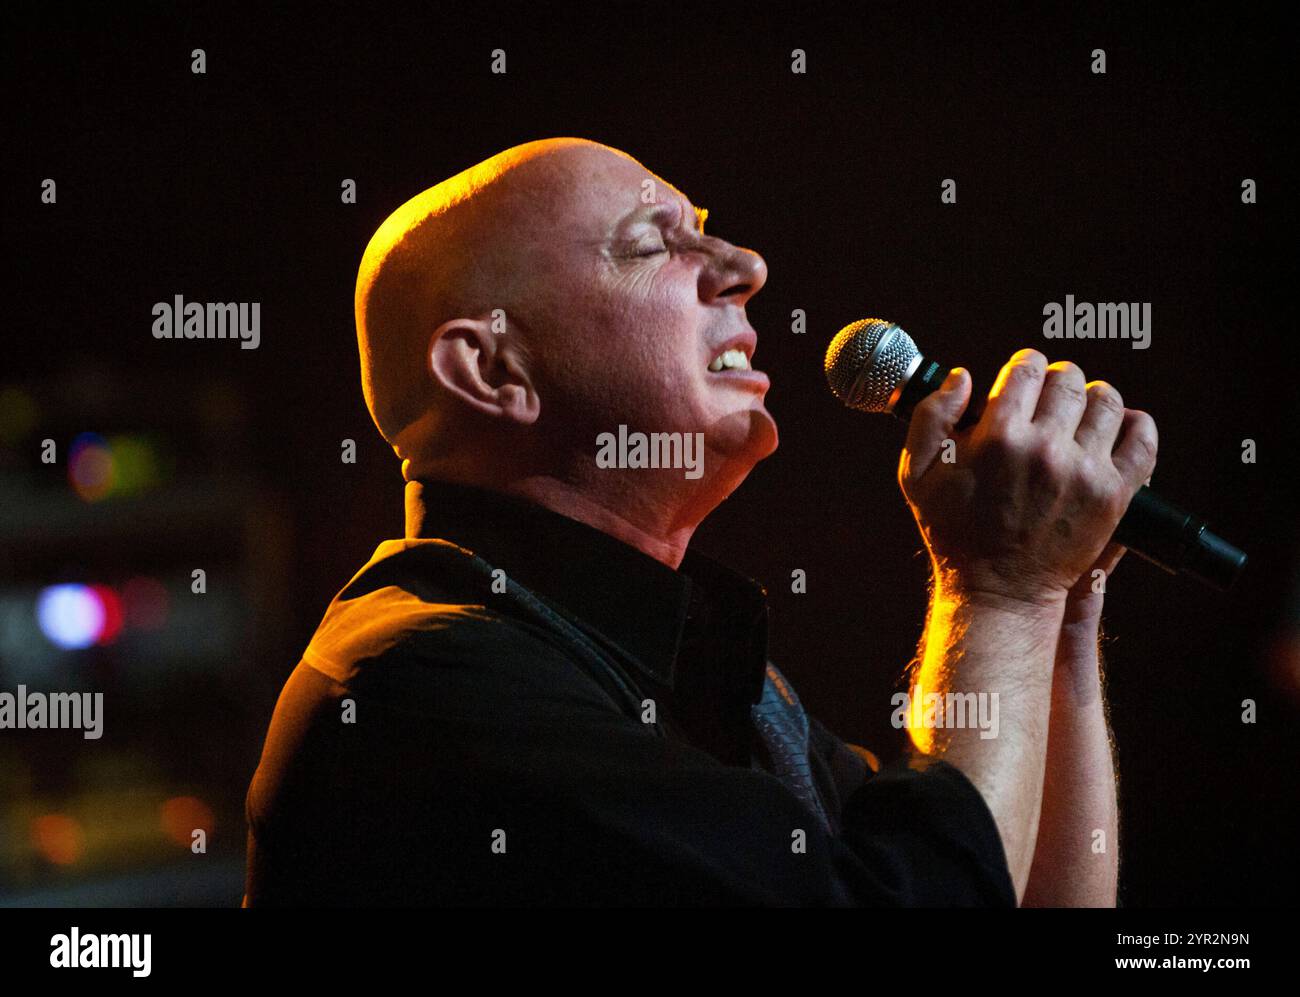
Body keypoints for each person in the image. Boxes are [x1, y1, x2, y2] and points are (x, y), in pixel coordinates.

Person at [243, 138, 1156, 906]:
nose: (746, 269)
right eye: (651, 245)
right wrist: (1000, 587)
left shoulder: (711, 676)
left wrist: (1064, 602)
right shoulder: (425, 685)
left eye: (707, 233)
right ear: (491, 371)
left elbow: (1011, 893)